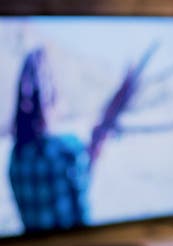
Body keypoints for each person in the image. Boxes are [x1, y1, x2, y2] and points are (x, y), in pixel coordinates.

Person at [9, 44, 156, 233]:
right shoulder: (64, 151)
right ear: (52, 98)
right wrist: (120, 100)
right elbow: (91, 150)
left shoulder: (15, 157)